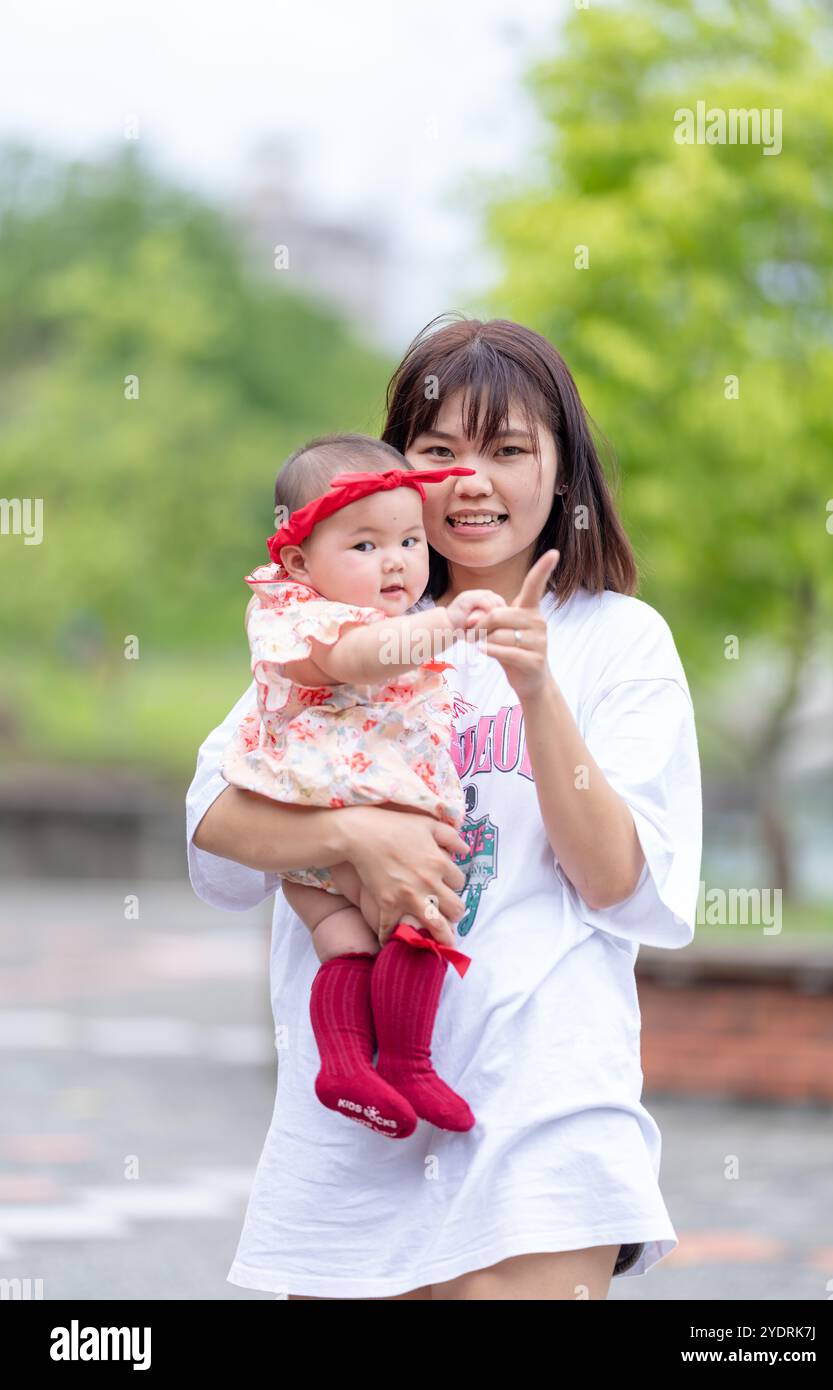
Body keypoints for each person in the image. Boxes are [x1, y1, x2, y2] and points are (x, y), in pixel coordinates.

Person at [186, 313, 703, 1301]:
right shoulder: (340, 635)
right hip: (355, 1127)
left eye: (506, 449)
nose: (469, 480)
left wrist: (537, 692)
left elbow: (616, 879)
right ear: (391, 471)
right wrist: (350, 835)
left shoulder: (617, 642)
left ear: (560, 473)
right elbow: (211, 818)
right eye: (436, 450)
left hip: (539, 1115)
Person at [220, 432, 509, 1139]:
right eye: (364, 547)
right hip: (320, 814)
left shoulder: (393, 616)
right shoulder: (301, 616)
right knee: (386, 928)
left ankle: (380, 1067)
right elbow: (359, 659)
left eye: (411, 542)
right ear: (298, 561)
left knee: (376, 936)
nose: (396, 564)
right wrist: (444, 623)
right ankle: (375, 1062)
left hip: (368, 828)